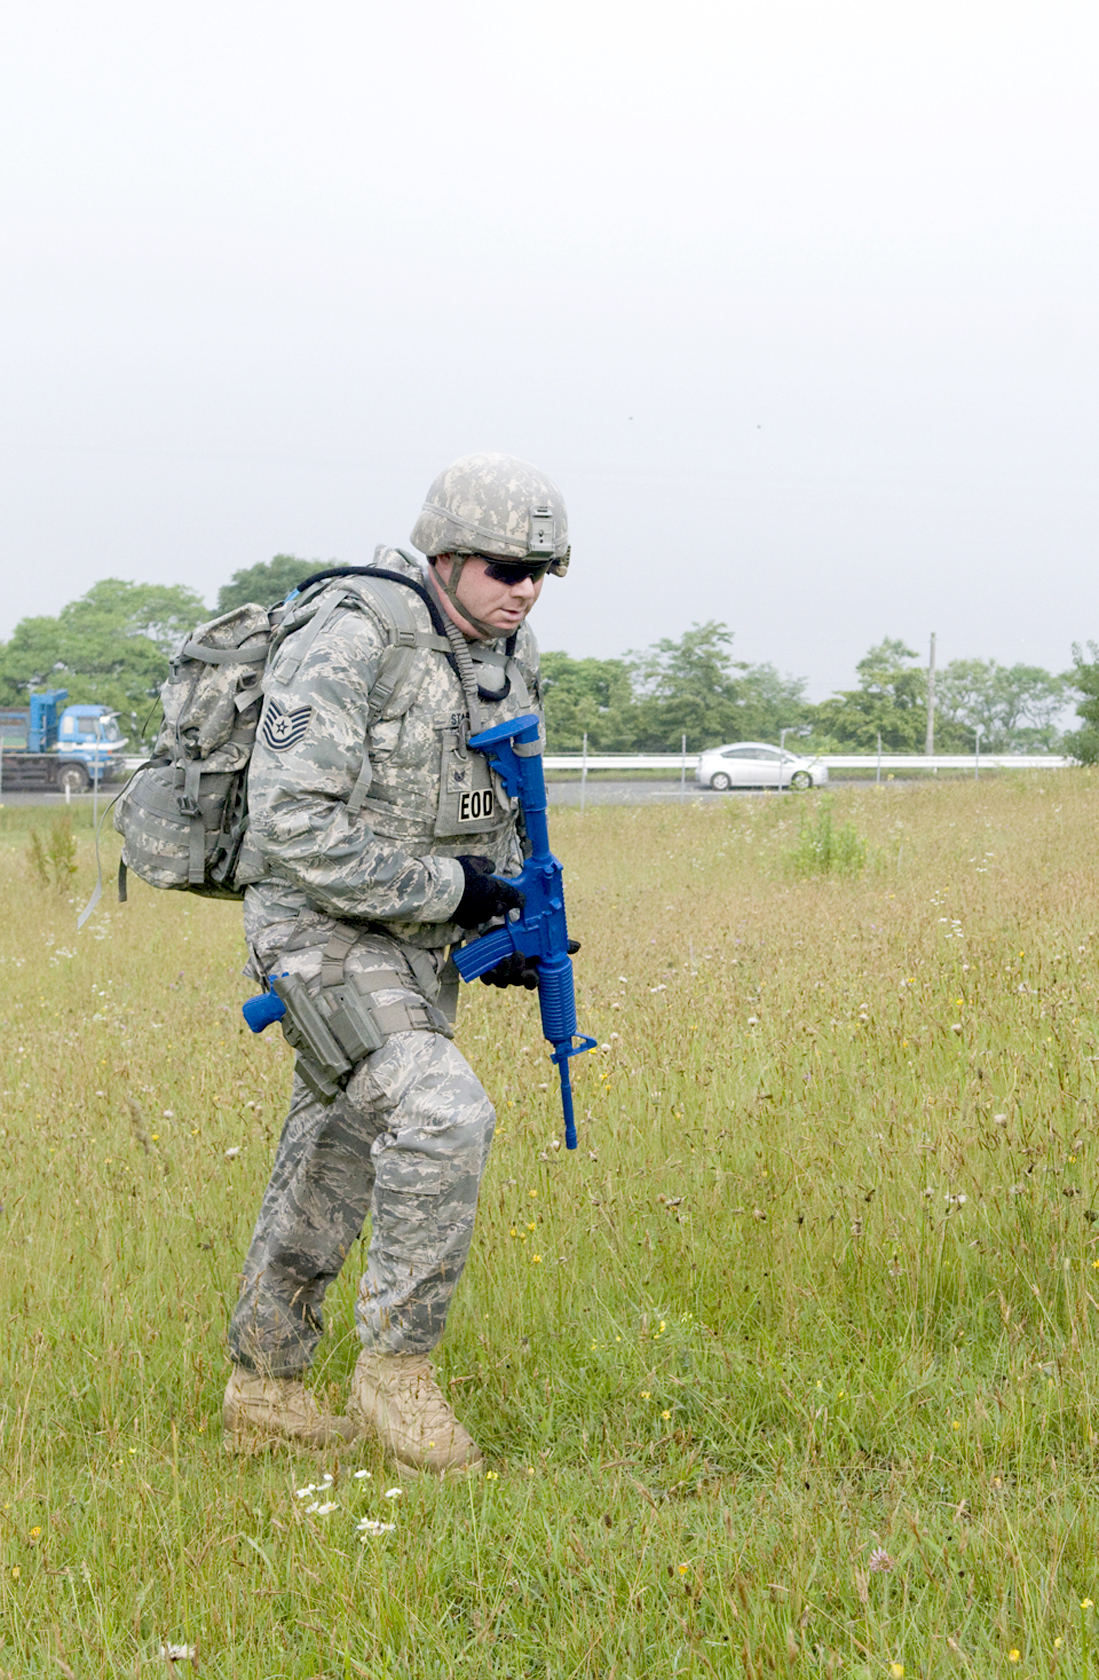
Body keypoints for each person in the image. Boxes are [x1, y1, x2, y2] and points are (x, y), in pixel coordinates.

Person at [222, 452, 570, 1474]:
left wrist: (503, 919)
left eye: (542, 570)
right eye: (507, 566)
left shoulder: (510, 655)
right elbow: (292, 828)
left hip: (420, 946)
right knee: (440, 1110)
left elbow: (497, 809)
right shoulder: (353, 633)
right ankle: (397, 1373)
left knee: (334, 1150)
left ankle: (264, 1389)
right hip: (318, 929)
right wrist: (452, 893)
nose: (524, 589)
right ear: (449, 553)